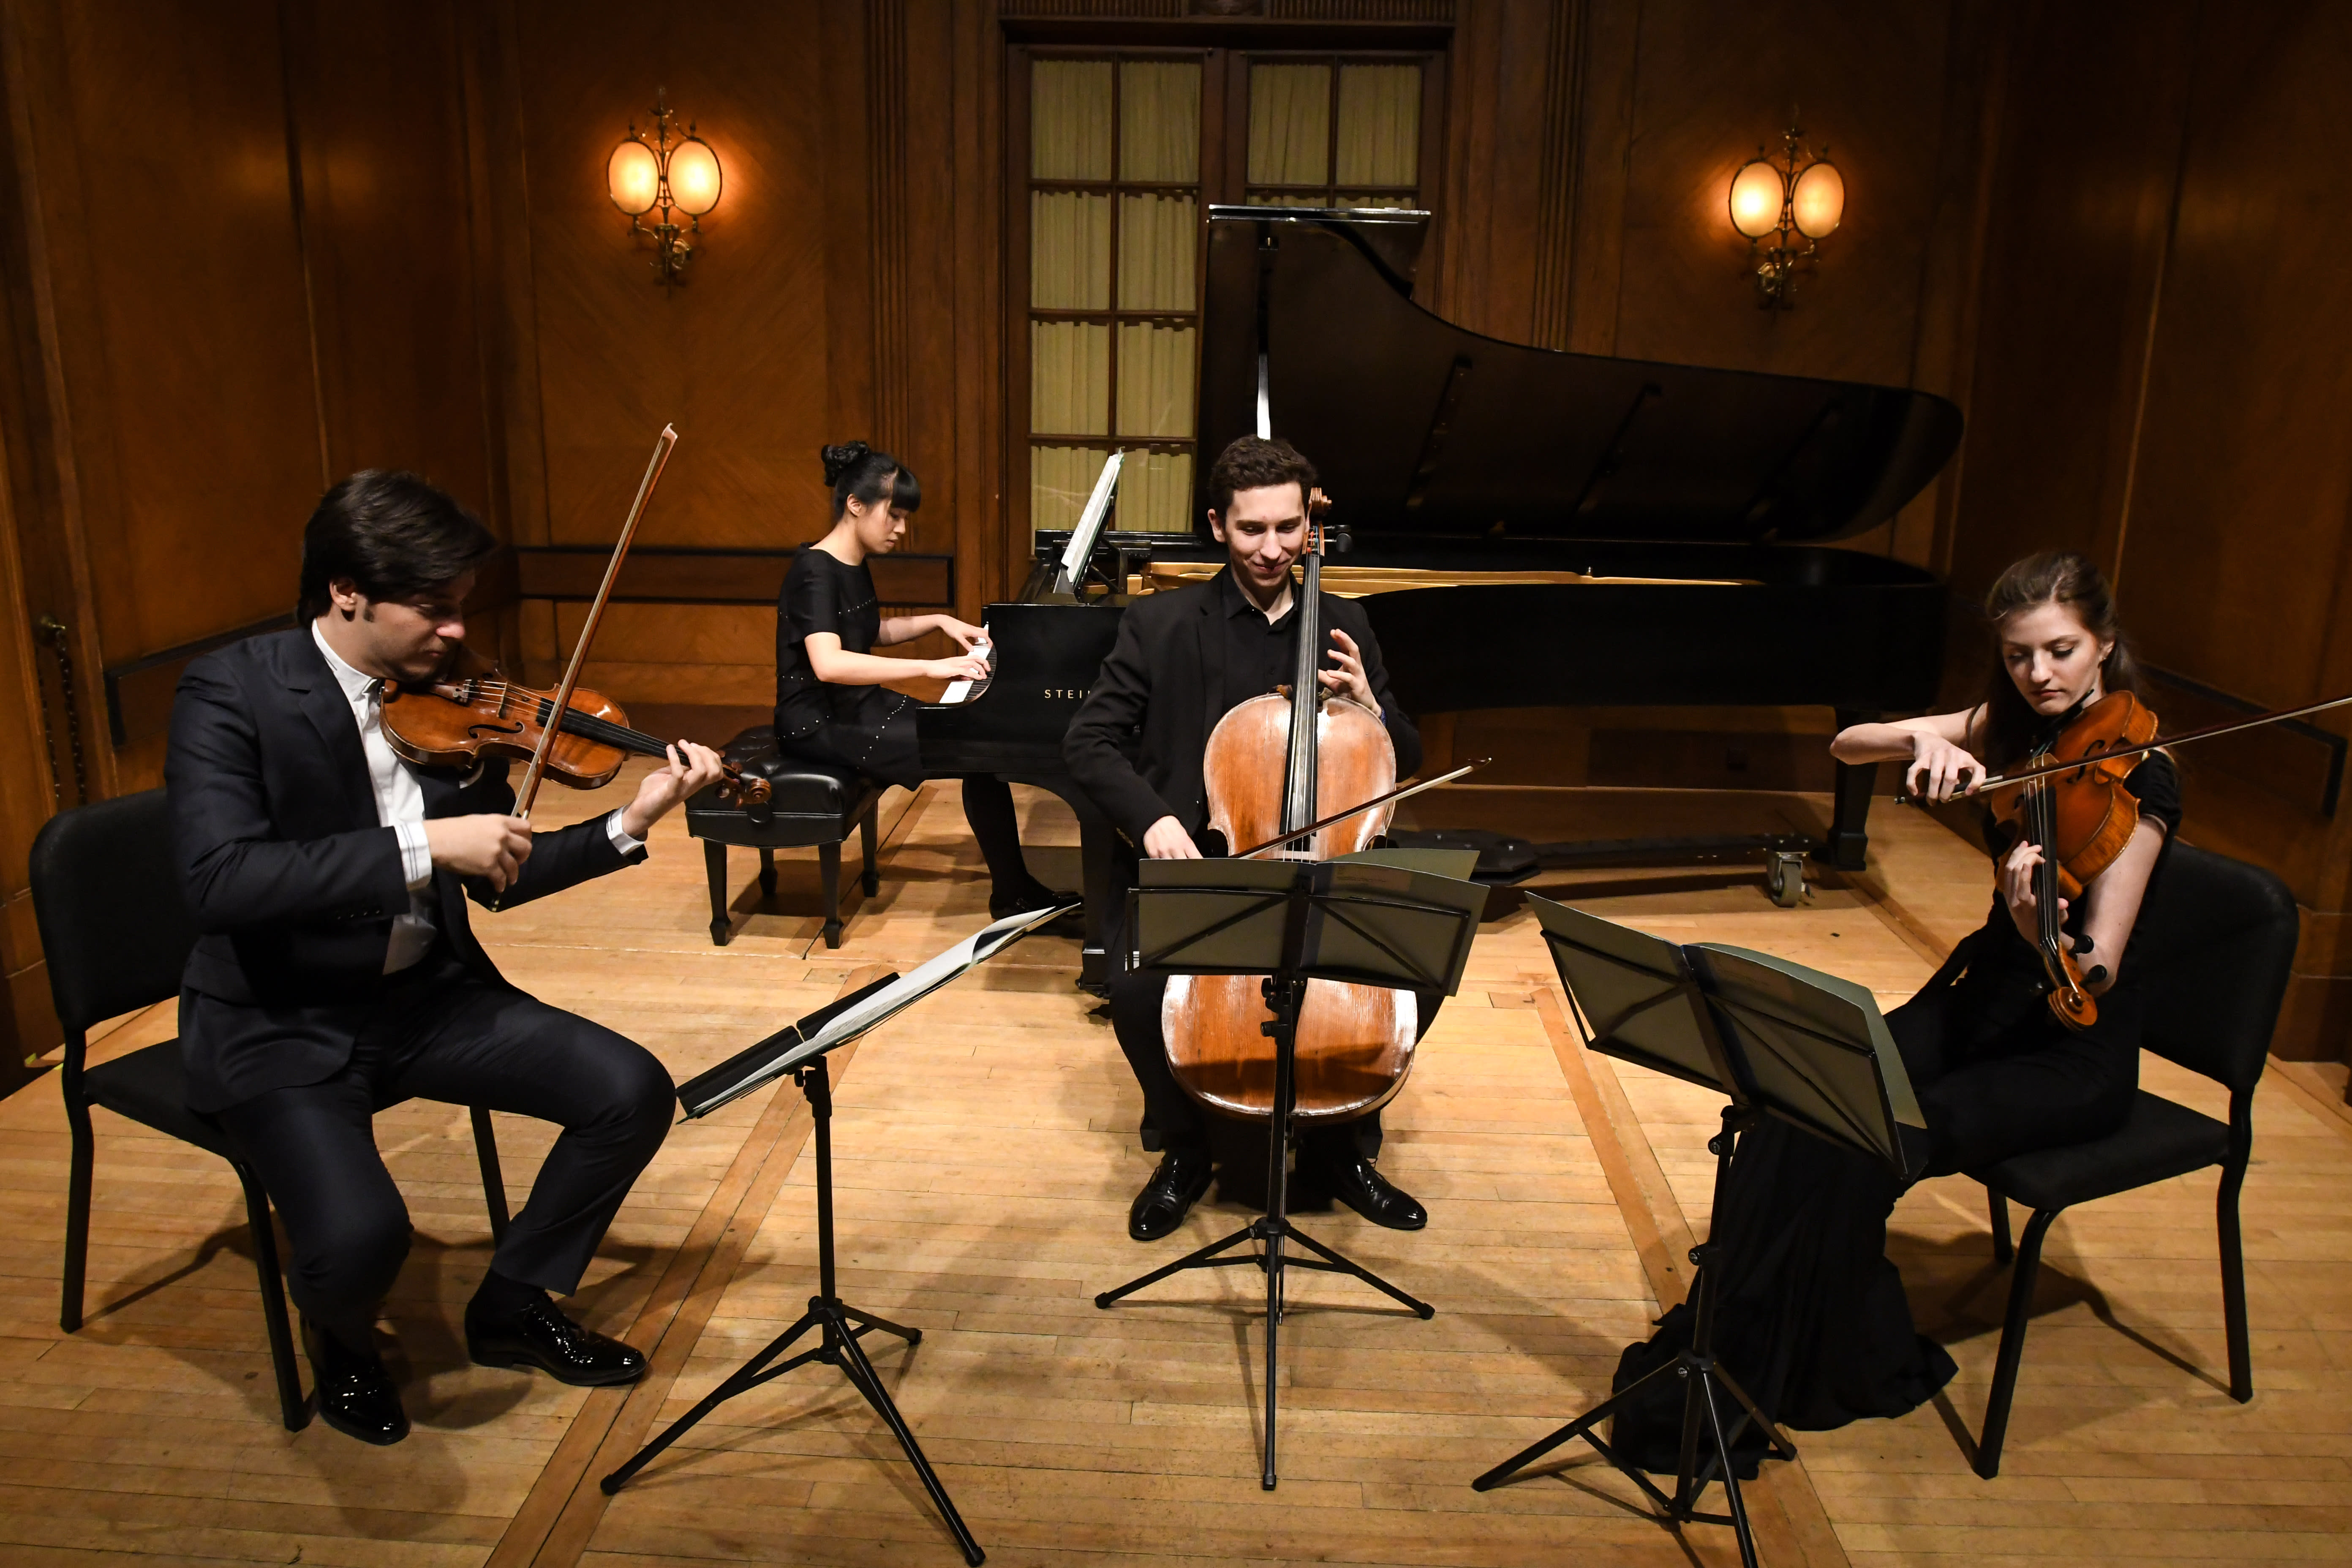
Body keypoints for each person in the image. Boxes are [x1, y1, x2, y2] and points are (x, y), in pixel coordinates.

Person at [168, 471, 727, 1447]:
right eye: (434, 609)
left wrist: (629, 823)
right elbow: (218, 880)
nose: (459, 634)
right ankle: (341, 1341)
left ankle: (511, 1302)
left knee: (629, 1089)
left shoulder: (440, 708)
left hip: (425, 996)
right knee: (359, 1238)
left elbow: (497, 874)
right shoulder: (233, 690)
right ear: (348, 592)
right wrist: (423, 848)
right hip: (280, 1018)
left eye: (463, 609)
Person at [1611, 550, 2180, 1469]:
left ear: (2105, 645)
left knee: (1871, 1138)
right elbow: (1849, 742)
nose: (2041, 673)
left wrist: (2042, 930)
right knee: (1806, 1092)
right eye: (2021, 654)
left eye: (2062, 650)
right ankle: (1742, 1322)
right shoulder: (2010, 725)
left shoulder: (2138, 776)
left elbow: (2098, 970)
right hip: (1977, 1000)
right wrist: (1925, 741)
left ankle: (1818, 1362)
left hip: (2066, 1047)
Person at [1065, 434, 1437, 1242]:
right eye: (1250, 530)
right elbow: (1088, 741)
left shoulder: (1343, 622)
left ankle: (1341, 1147)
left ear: (1310, 525)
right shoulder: (1159, 623)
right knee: (1131, 991)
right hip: (1203, 865)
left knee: (1420, 966)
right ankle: (1185, 1147)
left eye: (1287, 528)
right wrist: (1154, 818)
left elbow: (1400, 756)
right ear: (1215, 527)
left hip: (1325, 867)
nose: (1271, 549)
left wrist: (1372, 704)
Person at [776, 442, 1064, 918]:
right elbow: (829, 664)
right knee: (974, 749)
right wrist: (930, 668)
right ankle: (1013, 890)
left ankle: (1013, 888)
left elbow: (869, 633)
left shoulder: (850, 561)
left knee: (977, 747)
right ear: (856, 505)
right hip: (817, 722)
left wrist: (940, 621)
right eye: (895, 515)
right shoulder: (815, 571)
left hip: (853, 707)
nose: (902, 529)